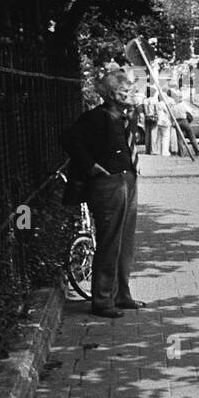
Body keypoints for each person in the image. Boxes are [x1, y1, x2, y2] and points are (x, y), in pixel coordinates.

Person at [60, 67, 146, 318]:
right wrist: (91, 165)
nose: (131, 93)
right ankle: (102, 300)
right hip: (109, 183)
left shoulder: (123, 115)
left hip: (128, 178)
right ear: (111, 94)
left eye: (130, 89)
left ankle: (122, 294)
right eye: (125, 90)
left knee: (125, 241)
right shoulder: (97, 117)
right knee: (109, 241)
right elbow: (69, 139)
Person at [152, 91, 173, 156]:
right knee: (165, 137)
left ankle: (158, 150)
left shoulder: (157, 104)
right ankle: (165, 151)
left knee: (159, 137)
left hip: (159, 121)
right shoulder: (163, 104)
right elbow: (168, 112)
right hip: (165, 121)